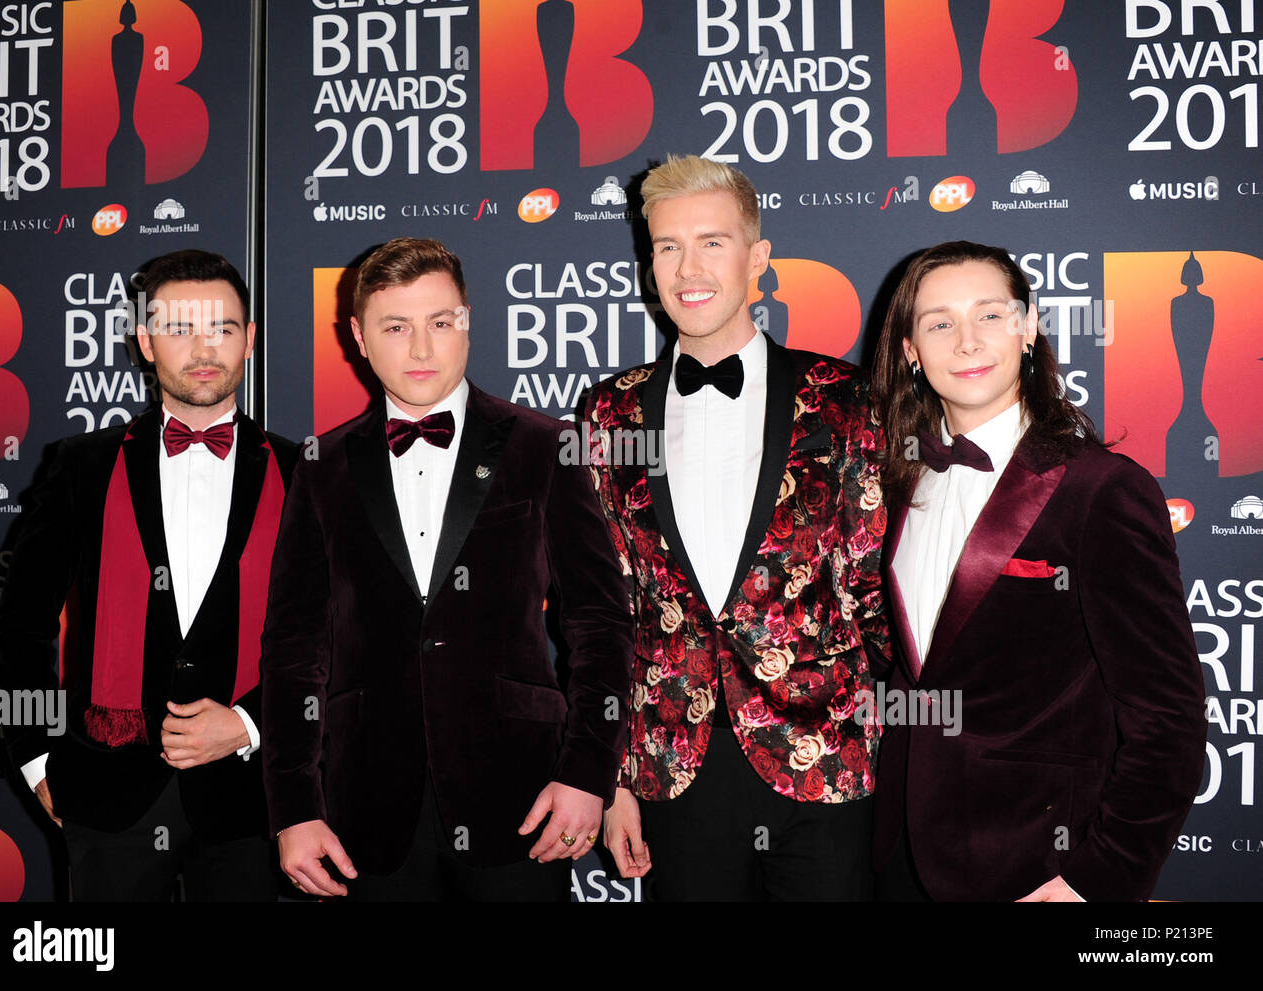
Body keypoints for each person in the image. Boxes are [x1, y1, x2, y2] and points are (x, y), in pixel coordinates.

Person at [261, 237, 632, 902]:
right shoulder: (322, 467)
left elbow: (600, 623)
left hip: (524, 800)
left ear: (467, 320)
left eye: (440, 322)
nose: (422, 349)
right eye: (396, 327)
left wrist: (587, 771)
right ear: (358, 337)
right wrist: (294, 805)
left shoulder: (546, 447)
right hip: (365, 811)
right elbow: (294, 650)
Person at [581, 154, 889, 900]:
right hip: (677, 771)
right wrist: (614, 776)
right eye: (667, 246)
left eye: (712, 242)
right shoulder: (610, 412)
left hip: (824, 759)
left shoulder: (843, 397)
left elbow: (874, 582)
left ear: (757, 259)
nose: (689, 267)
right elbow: (608, 610)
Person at [869, 240, 1206, 901]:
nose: (967, 341)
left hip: (1037, 867)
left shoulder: (1101, 490)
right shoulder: (899, 477)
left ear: (1027, 328)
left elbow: (1169, 715)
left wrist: (1098, 876)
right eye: (939, 323)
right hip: (900, 854)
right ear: (911, 349)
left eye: (990, 315)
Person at [0, 249, 296, 900]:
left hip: (253, 800)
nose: (204, 346)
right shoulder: (80, 466)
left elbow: (335, 638)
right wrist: (38, 759)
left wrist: (248, 724)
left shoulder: (304, 474)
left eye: (222, 327)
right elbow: (17, 628)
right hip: (105, 799)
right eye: (181, 327)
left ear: (250, 339)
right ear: (145, 340)